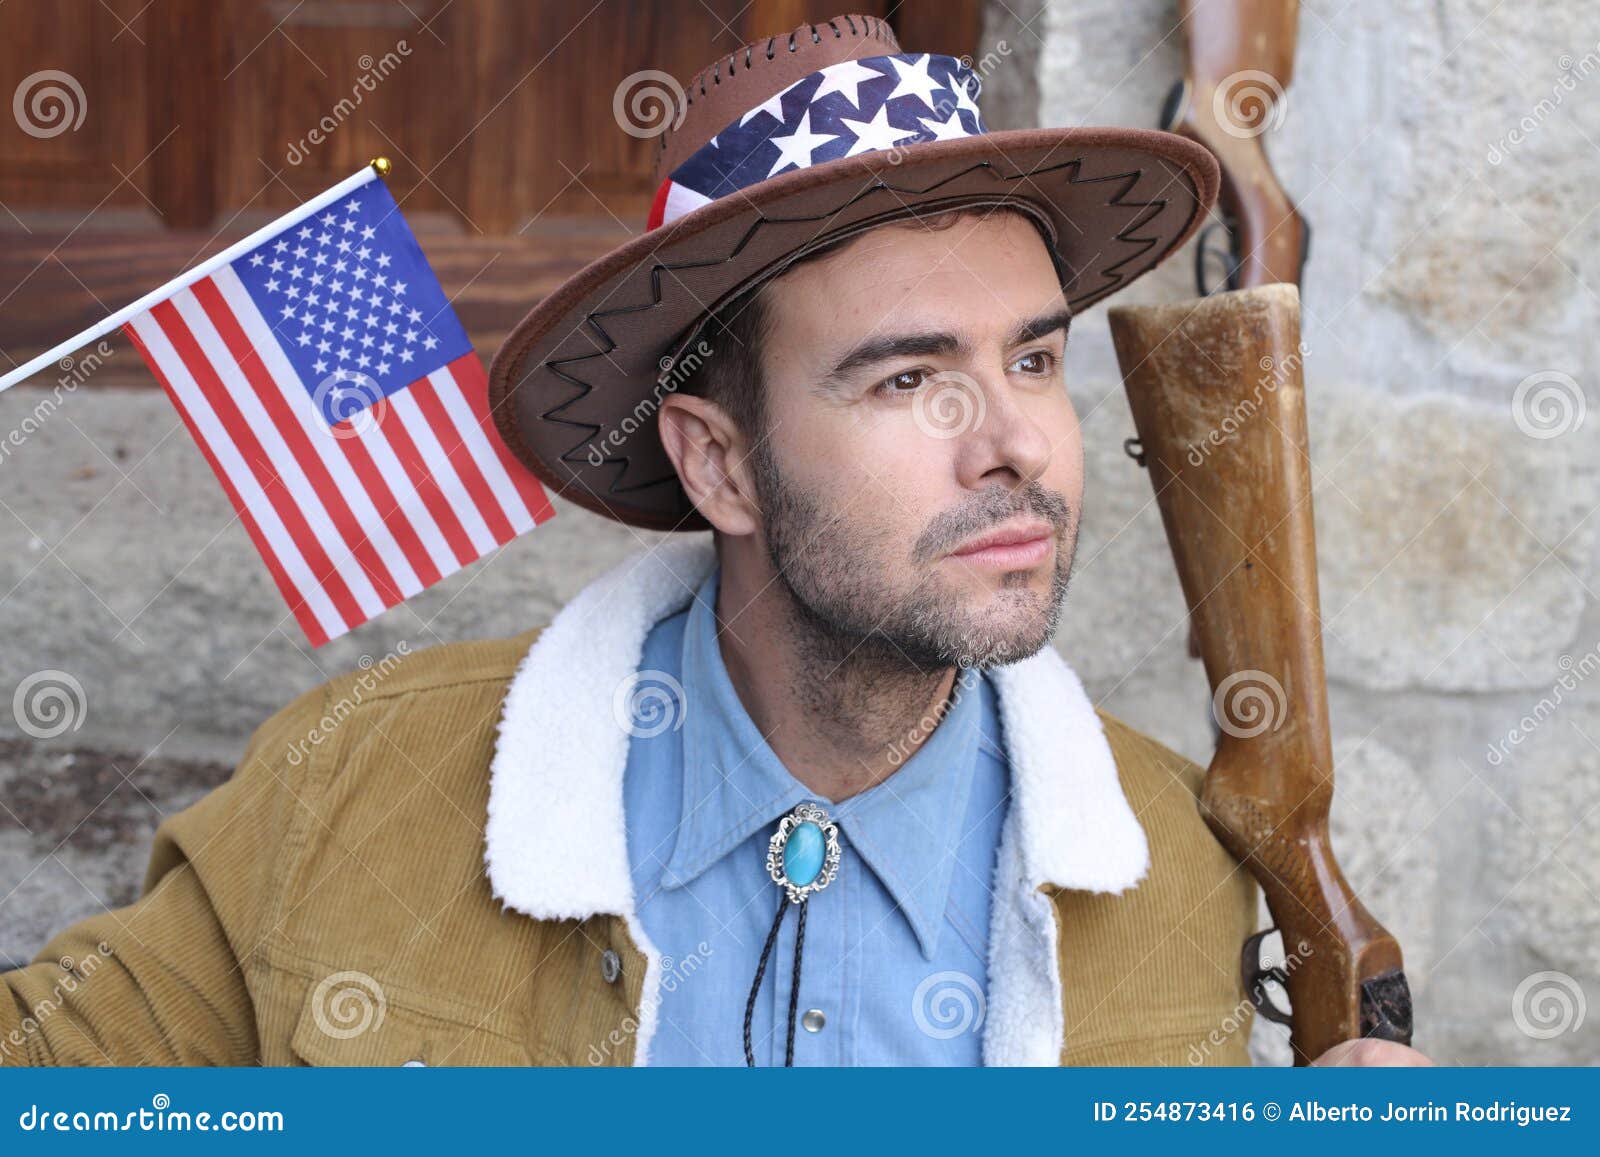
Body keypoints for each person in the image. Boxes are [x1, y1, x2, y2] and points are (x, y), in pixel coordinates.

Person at [1, 13, 1428, 1067]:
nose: (1014, 443)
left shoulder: (1182, 865)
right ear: (720, 462)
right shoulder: (352, 787)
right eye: (908, 377)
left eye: (1036, 361)